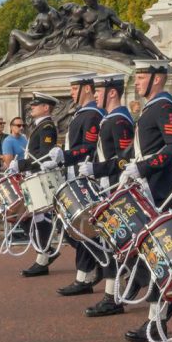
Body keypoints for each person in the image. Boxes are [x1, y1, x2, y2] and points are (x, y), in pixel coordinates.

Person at [119, 60, 172, 342]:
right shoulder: (153, 107)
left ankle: (157, 318)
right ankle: (164, 308)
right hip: (148, 190)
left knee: (156, 259)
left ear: (157, 79)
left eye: (142, 76)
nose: (137, 81)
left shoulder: (163, 106)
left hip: (159, 192)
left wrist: (145, 167)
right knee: (150, 258)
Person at [84, 73, 136, 317]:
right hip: (108, 185)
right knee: (111, 243)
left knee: (114, 244)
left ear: (112, 92)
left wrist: (96, 168)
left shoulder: (118, 121)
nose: (94, 95)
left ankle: (113, 296)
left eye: (99, 90)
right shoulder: (111, 120)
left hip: (116, 187)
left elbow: (124, 160)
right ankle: (118, 291)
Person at [57, 74, 105, 296]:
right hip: (76, 175)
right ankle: (97, 265)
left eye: (75, 88)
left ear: (87, 88)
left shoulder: (93, 114)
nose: (71, 93)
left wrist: (64, 156)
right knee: (74, 229)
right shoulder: (83, 113)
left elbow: (88, 147)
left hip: (87, 176)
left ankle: (84, 276)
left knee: (84, 228)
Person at [17, 92, 63, 277]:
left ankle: (44, 256)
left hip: (41, 178)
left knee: (33, 218)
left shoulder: (47, 127)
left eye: (36, 105)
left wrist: (21, 164)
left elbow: (44, 155)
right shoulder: (40, 126)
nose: (32, 107)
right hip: (34, 176)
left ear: (46, 108)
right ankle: (45, 254)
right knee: (32, 218)